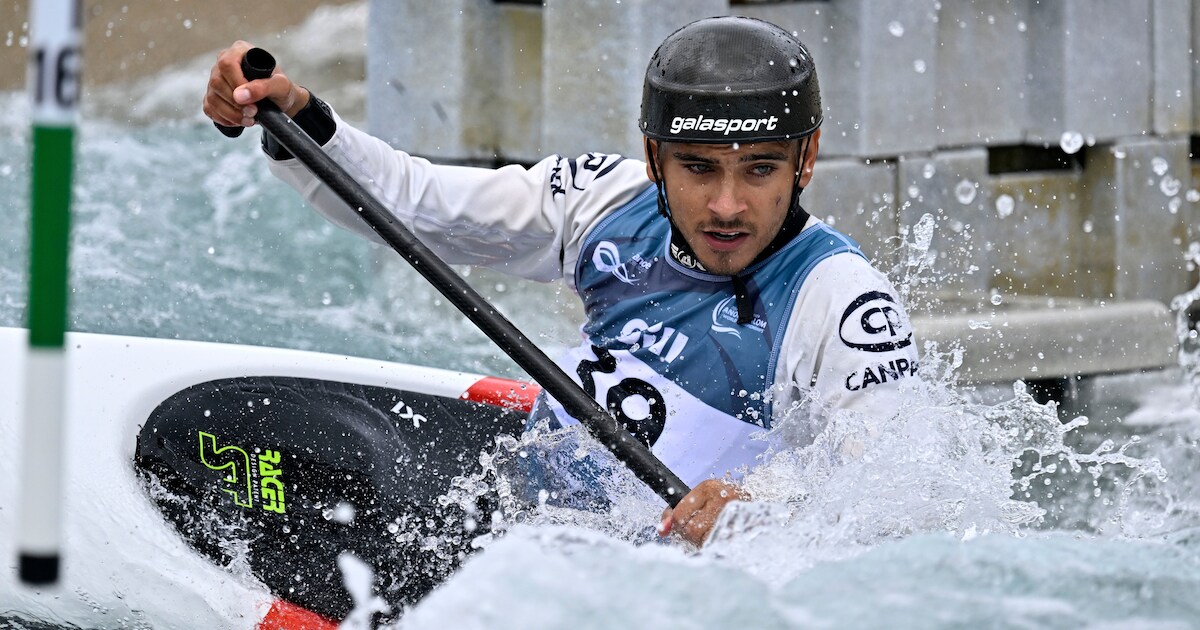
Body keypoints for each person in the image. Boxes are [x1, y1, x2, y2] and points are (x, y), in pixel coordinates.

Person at [204, 15, 919, 548]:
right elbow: (416, 203)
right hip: (523, 529)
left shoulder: (840, 301)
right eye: (699, 168)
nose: (727, 205)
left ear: (808, 158)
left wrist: (758, 508)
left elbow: (886, 492)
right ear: (653, 155)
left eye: (760, 169)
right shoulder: (605, 201)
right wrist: (296, 118)